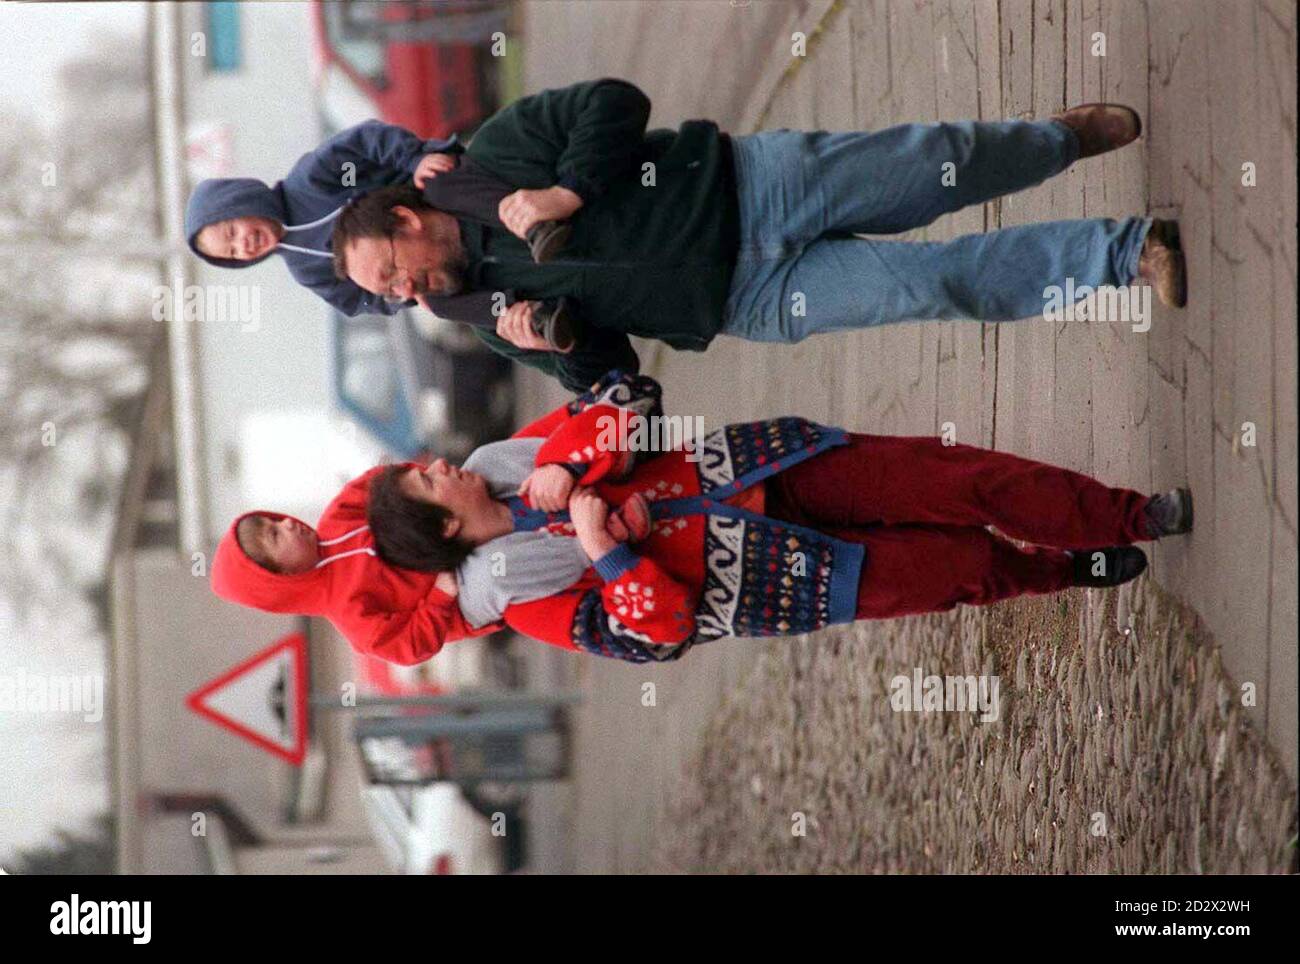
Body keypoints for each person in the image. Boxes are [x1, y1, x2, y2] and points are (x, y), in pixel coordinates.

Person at [330, 78, 1188, 392]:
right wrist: (558, 349)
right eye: (386, 296)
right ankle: (1124, 252)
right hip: (749, 297)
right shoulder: (482, 313)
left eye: (390, 270)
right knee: (937, 285)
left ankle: (1060, 139)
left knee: (939, 164)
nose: (401, 292)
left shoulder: (494, 157)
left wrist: (564, 191)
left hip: (754, 185)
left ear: (405, 219)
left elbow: (615, 104)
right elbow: (618, 376)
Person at [362, 372, 1194, 664]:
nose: (440, 465)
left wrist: (569, 463)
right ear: (441, 531)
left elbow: (629, 397)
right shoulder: (525, 600)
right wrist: (609, 558)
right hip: (779, 580)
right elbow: (660, 636)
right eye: (429, 483)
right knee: (963, 571)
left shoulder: (513, 462)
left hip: (776, 467)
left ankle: (1127, 517)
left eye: (425, 466)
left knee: (961, 481)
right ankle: (1058, 569)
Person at [207, 376, 658, 664]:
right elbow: (407, 647)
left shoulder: (339, 515)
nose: (288, 525)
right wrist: (440, 599)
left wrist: (419, 488)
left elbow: (380, 478)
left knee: (485, 465)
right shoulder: (351, 615)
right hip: (460, 585)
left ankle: (588, 456)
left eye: (276, 520)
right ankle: (597, 541)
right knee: (494, 574)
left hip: (451, 523)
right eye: (275, 537)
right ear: (278, 578)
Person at [184, 118, 576, 348]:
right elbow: (359, 301)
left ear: (240, 199)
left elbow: (366, 141)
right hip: (425, 261)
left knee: (440, 183)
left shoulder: (308, 180)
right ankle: (534, 318)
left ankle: (534, 224)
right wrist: (396, 296)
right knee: (434, 302)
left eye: (233, 229)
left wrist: (415, 157)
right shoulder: (305, 269)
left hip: (430, 196)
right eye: (233, 252)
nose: (244, 244)